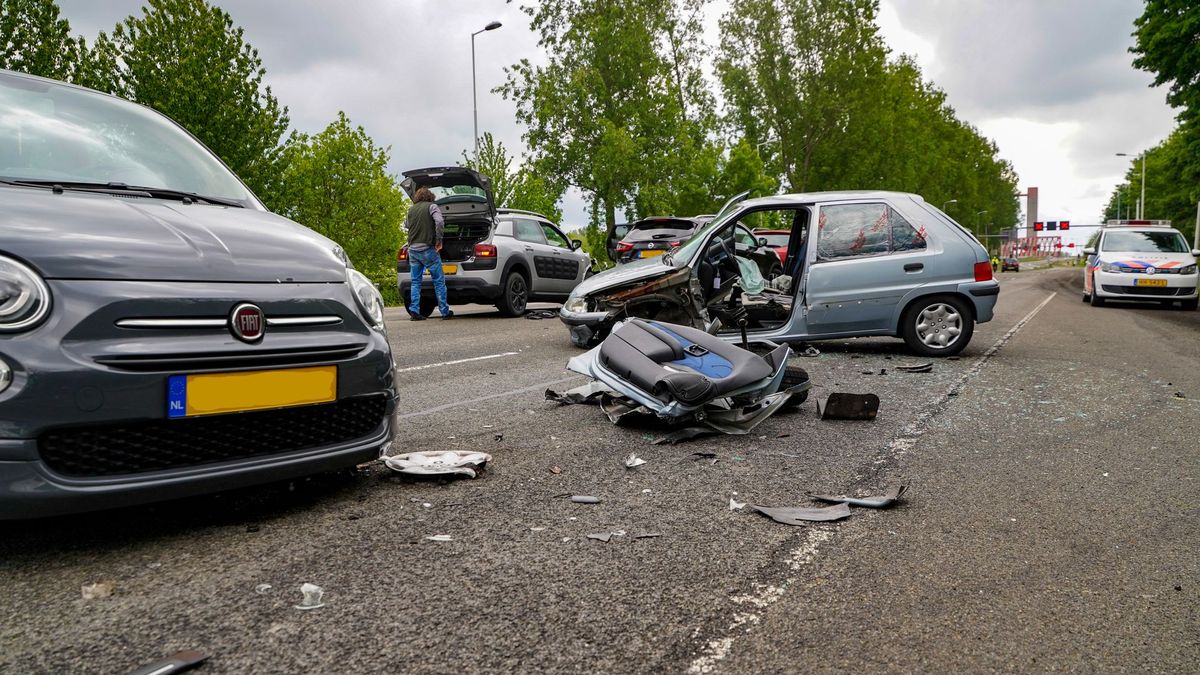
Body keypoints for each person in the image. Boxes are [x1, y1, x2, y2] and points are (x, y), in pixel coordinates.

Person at [405, 186, 453, 320]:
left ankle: (414, 311)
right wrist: (439, 240)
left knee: (415, 282)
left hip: (413, 250)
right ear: (430, 197)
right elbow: (439, 221)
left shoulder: (411, 209)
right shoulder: (432, 207)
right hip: (427, 248)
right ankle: (444, 311)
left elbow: (407, 224)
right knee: (438, 281)